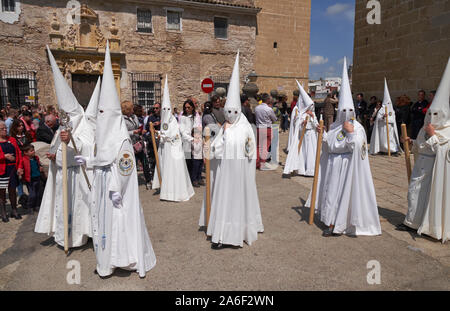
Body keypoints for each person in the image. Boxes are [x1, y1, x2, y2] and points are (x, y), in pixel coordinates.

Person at [79, 43, 156, 278]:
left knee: (117, 224)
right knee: (104, 224)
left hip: (116, 192)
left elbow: (125, 168)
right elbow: (103, 159)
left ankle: (123, 259)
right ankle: (106, 261)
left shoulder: (122, 140)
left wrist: (115, 188)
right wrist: (89, 161)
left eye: (103, 114)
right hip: (103, 189)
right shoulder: (104, 138)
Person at [306, 58, 381, 237]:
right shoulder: (335, 127)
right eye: (343, 112)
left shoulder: (358, 128)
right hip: (333, 164)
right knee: (331, 193)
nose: (346, 115)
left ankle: (340, 224)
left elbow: (359, 149)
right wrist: (321, 133)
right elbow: (329, 146)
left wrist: (351, 134)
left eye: (349, 112)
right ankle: (330, 220)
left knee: (343, 195)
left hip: (348, 166)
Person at [199, 51, 264, 249]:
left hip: (240, 175)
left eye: (235, 112)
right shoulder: (224, 127)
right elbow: (216, 150)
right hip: (225, 174)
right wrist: (214, 142)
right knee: (224, 202)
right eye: (229, 112)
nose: (231, 115)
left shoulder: (245, 127)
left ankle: (240, 231)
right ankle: (222, 234)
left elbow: (249, 150)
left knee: (238, 203)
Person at [35, 46, 92, 249]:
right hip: (61, 175)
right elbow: (57, 146)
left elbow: (87, 145)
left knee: (75, 208)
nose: (65, 119)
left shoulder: (83, 127)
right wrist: (54, 155)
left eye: (68, 115)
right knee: (61, 207)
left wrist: (72, 142)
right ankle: (61, 237)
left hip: (76, 176)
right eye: (63, 115)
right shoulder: (61, 129)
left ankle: (76, 239)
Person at [397, 58, 450, 242]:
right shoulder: (425, 127)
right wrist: (410, 142)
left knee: (429, 196)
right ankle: (412, 221)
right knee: (414, 192)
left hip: (436, 171)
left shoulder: (447, 130)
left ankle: (429, 225)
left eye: (436, 115)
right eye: (430, 114)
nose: (431, 118)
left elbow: (445, 153)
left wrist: (434, 135)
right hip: (422, 164)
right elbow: (421, 144)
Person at [151, 76, 194, 202]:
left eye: (167, 109)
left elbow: (174, 135)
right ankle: (164, 186)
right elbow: (163, 133)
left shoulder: (174, 120)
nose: (165, 111)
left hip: (173, 149)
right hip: (163, 148)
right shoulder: (163, 121)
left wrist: (163, 136)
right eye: (163, 109)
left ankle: (172, 191)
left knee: (173, 170)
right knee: (163, 167)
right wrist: (157, 133)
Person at [283, 80, 318, 177]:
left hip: (312, 135)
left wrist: (314, 121)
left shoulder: (313, 114)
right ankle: (302, 169)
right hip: (304, 135)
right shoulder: (300, 113)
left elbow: (316, 124)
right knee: (304, 153)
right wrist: (303, 123)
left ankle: (311, 170)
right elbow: (297, 125)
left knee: (311, 153)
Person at [122, 100, 151, 188]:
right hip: (130, 145)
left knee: (145, 162)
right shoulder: (122, 119)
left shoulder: (134, 116)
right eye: (131, 108)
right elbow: (123, 132)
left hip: (139, 143)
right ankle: (131, 183)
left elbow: (138, 126)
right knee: (132, 164)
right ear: (127, 109)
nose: (133, 109)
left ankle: (148, 181)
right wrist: (133, 132)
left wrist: (141, 130)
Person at [369, 78, 402, 155]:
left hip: (390, 127)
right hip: (383, 127)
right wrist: (383, 117)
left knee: (391, 139)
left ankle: (392, 150)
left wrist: (389, 119)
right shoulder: (381, 110)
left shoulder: (392, 110)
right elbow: (378, 119)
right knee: (383, 140)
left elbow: (393, 118)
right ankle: (383, 149)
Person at [0, 121, 23, 222]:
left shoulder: (12, 139)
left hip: (12, 169)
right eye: (2, 129)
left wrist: (19, 167)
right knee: (2, 193)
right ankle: (3, 212)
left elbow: (18, 153)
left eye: (5, 128)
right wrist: (4, 156)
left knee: (13, 190)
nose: (5, 130)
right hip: (1, 170)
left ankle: (14, 210)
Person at [180, 99, 204, 187]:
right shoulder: (183, 117)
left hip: (196, 140)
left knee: (198, 160)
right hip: (187, 142)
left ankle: (197, 177)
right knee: (188, 161)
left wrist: (197, 138)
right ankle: (190, 179)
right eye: (185, 107)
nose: (187, 109)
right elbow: (182, 131)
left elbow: (198, 126)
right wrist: (191, 138)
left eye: (188, 107)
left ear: (192, 108)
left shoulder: (196, 116)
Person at [255, 93, 277, 169]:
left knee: (258, 146)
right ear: (267, 100)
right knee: (265, 146)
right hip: (267, 128)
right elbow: (274, 119)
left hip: (259, 128)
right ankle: (262, 163)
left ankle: (256, 162)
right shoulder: (269, 109)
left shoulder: (257, 108)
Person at [20, 144, 44, 213]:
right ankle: (30, 206)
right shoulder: (24, 159)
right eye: (31, 151)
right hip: (30, 179)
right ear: (25, 153)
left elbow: (38, 164)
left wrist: (40, 168)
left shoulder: (36, 158)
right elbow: (21, 167)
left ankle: (36, 206)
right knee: (32, 194)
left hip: (38, 177)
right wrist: (20, 171)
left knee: (38, 193)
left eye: (33, 150)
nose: (33, 152)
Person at [144, 103, 161, 185]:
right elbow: (147, 127)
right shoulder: (151, 117)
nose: (155, 110)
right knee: (153, 160)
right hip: (152, 141)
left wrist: (160, 122)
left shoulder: (163, 117)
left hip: (161, 141)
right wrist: (153, 125)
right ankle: (154, 178)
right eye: (154, 108)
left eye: (157, 108)